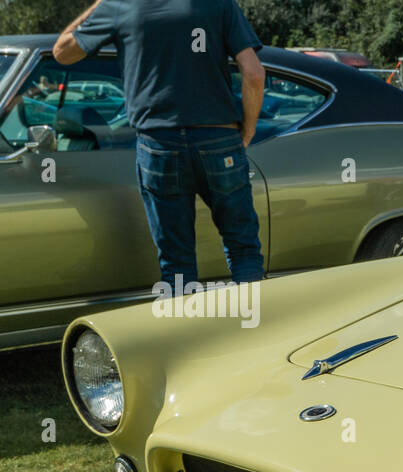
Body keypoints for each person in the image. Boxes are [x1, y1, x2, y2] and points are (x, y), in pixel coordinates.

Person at [53, 0, 266, 289]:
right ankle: (257, 329)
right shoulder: (219, 4)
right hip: (219, 139)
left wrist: (100, 5)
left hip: (159, 145)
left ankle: (185, 333)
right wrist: (248, 129)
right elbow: (254, 74)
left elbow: (62, 53)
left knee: (176, 266)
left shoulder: (119, 5)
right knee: (244, 251)